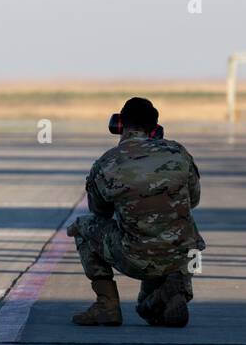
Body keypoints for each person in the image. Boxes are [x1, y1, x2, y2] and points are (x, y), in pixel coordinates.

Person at [67, 97, 205, 328]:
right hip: (184, 257)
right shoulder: (178, 152)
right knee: (148, 311)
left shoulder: (107, 162)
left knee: (83, 226)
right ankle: (173, 291)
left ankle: (107, 305)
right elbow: (194, 200)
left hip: (136, 257)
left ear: (119, 124)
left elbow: (99, 212)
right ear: (156, 128)